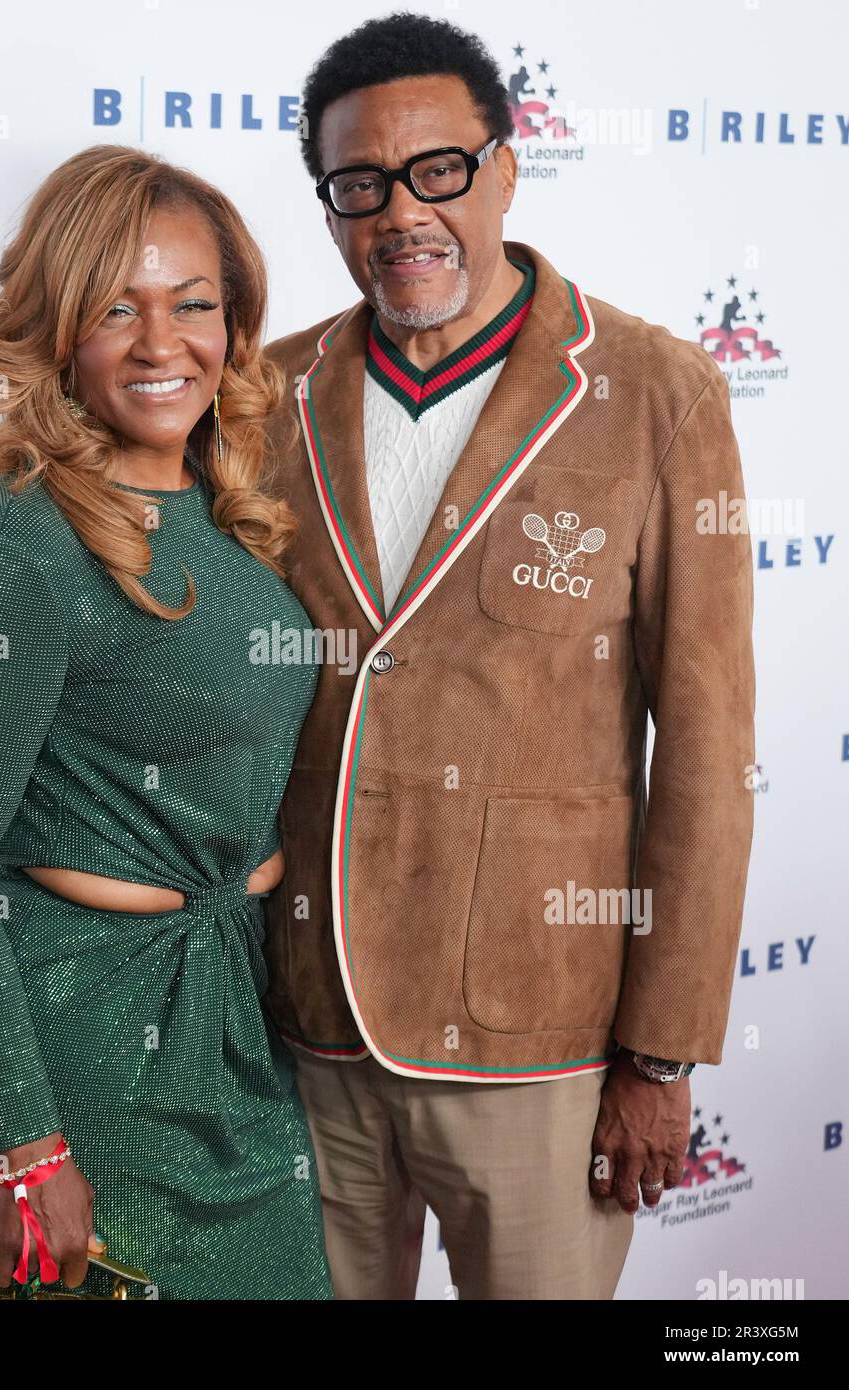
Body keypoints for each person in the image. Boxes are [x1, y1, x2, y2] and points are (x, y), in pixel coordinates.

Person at [261, 13, 755, 1299]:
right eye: (358, 185)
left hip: (539, 1045)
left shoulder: (657, 393)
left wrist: (659, 1057)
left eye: (438, 169)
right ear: (326, 207)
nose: (401, 213)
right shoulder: (258, 397)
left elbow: (707, 749)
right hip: (304, 1029)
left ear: (505, 167)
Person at [0, 144, 333, 1300]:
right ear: (56, 333)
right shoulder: (25, 548)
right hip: (73, 1038)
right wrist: (24, 1142)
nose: (158, 342)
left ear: (233, 325)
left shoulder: (224, 508)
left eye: (193, 305)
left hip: (218, 1014)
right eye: (112, 310)